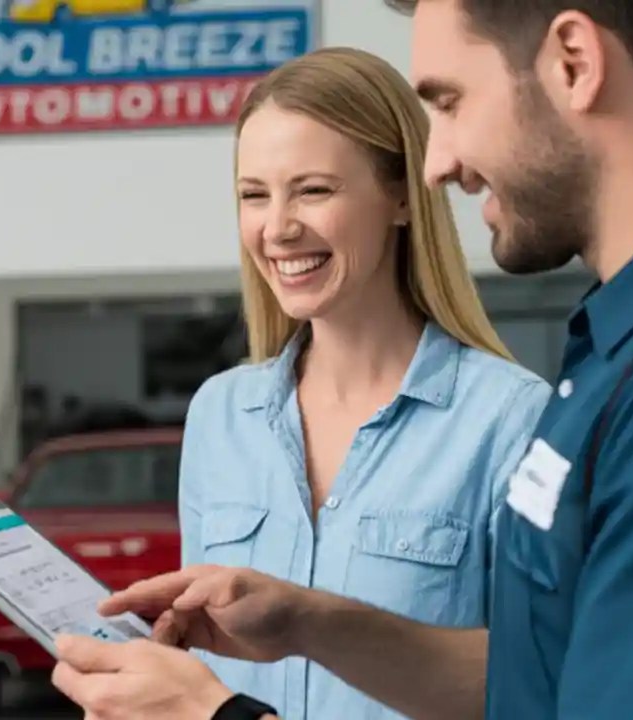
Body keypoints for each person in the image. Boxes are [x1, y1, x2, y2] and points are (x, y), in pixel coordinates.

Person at [50, 0, 633, 718]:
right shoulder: (628, 351)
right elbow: (546, 681)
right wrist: (311, 623)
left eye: (449, 102)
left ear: (573, 61)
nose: (440, 161)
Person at [174, 45, 554, 719]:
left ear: (403, 197)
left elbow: (539, 683)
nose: (279, 227)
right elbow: (201, 670)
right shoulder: (219, 415)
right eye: (254, 195)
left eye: (314, 190)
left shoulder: (509, 421)